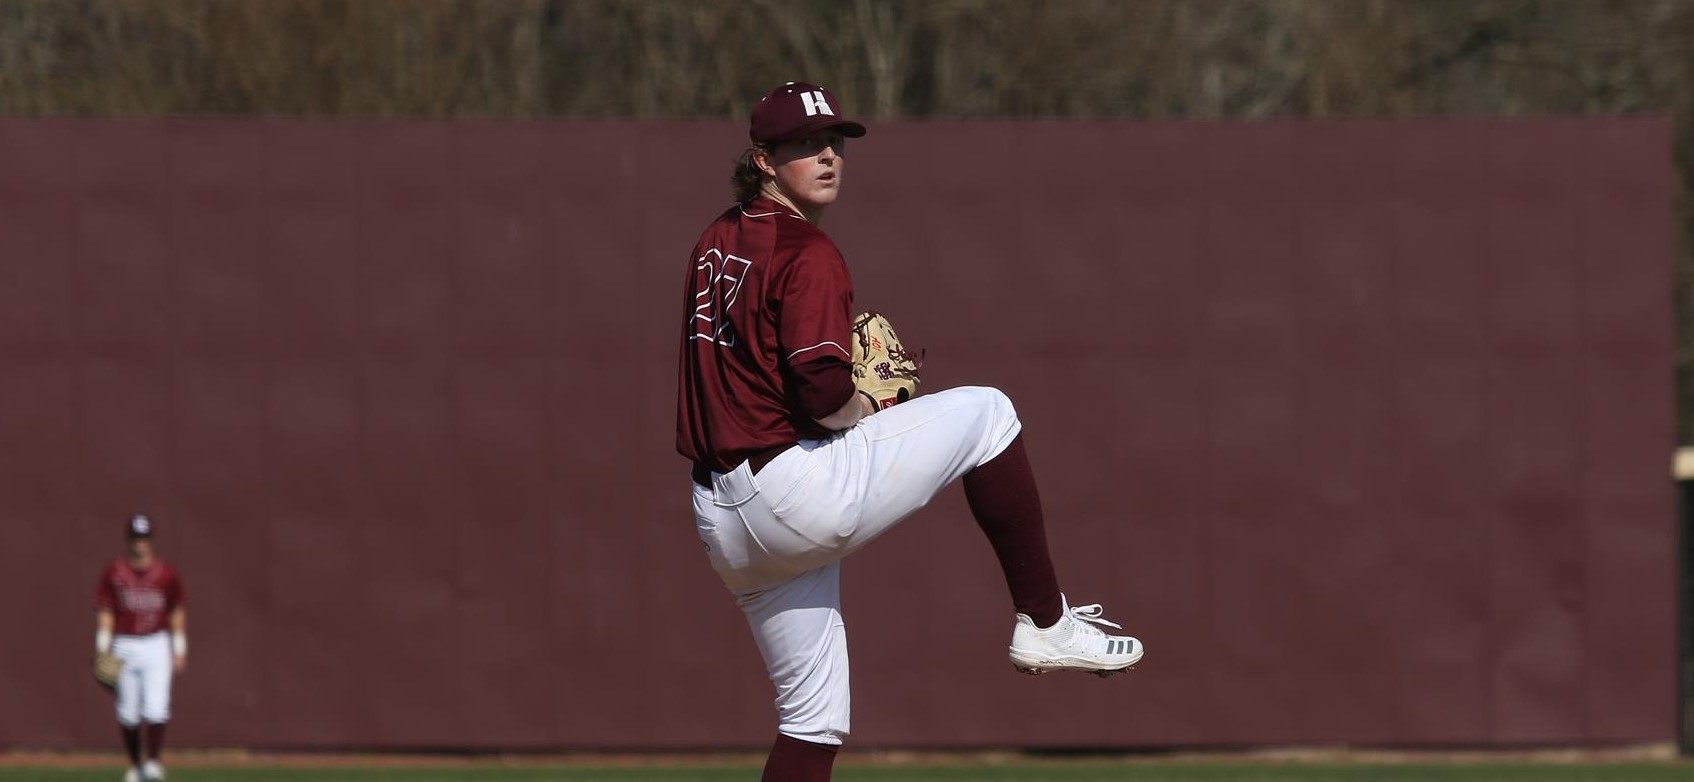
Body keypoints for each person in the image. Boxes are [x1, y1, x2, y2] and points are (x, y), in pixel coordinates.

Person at [676, 81, 1145, 781]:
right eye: (804, 145)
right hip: (790, 494)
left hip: (722, 518)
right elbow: (820, 389)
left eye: (834, 141)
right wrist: (864, 403)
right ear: (764, 159)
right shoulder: (808, 253)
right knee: (989, 414)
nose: (827, 156)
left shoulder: (716, 239)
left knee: (813, 721)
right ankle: (1045, 623)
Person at [94, 514, 188, 782]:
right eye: (136, 538)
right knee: (127, 712)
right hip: (124, 642)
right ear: (128, 540)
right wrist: (102, 648)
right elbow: (106, 611)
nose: (141, 544)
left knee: (156, 708)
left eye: (145, 538)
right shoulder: (114, 572)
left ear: (152, 540)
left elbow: (177, 610)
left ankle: (154, 762)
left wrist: (180, 647)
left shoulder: (165, 573)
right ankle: (136, 765)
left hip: (156, 642)